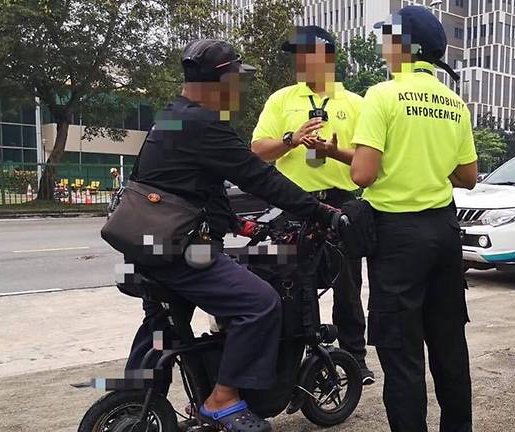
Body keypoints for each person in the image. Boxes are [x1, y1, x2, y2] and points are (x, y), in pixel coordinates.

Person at [123, 39, 337, 432]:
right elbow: (260, 178)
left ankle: (135, 400)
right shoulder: (206, 126)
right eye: (237, 80)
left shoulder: (170, 117)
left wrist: (237, 226)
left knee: (164, 324)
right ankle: (223, 399)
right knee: (260, 303)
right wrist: (320, 210)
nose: (240, 89)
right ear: (220, 81)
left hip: (147, 246)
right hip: (183, 252)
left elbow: (190, 182)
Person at [350, 6, 478, 432]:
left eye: (389, 40)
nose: (385, 48)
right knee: (448, 347)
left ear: (405, 47)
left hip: (396, 237)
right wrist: (429, 161)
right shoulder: (454, 101)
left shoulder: (382, 95)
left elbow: (363, 173)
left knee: (402, 354)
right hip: (444, 234)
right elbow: (469, 176)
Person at [251, 26, 374, 384]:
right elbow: (258, 151)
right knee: (292, 284)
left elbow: (368, 159)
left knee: (348, 283)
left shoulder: (356, 103)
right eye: (297, 54)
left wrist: (333, 150)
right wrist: (292, 140)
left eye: (307, 53)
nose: (300, 61)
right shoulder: (281, 99)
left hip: (340, 202)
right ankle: (299, 357)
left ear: (328, 57)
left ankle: (354, 357)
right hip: (293, 203)